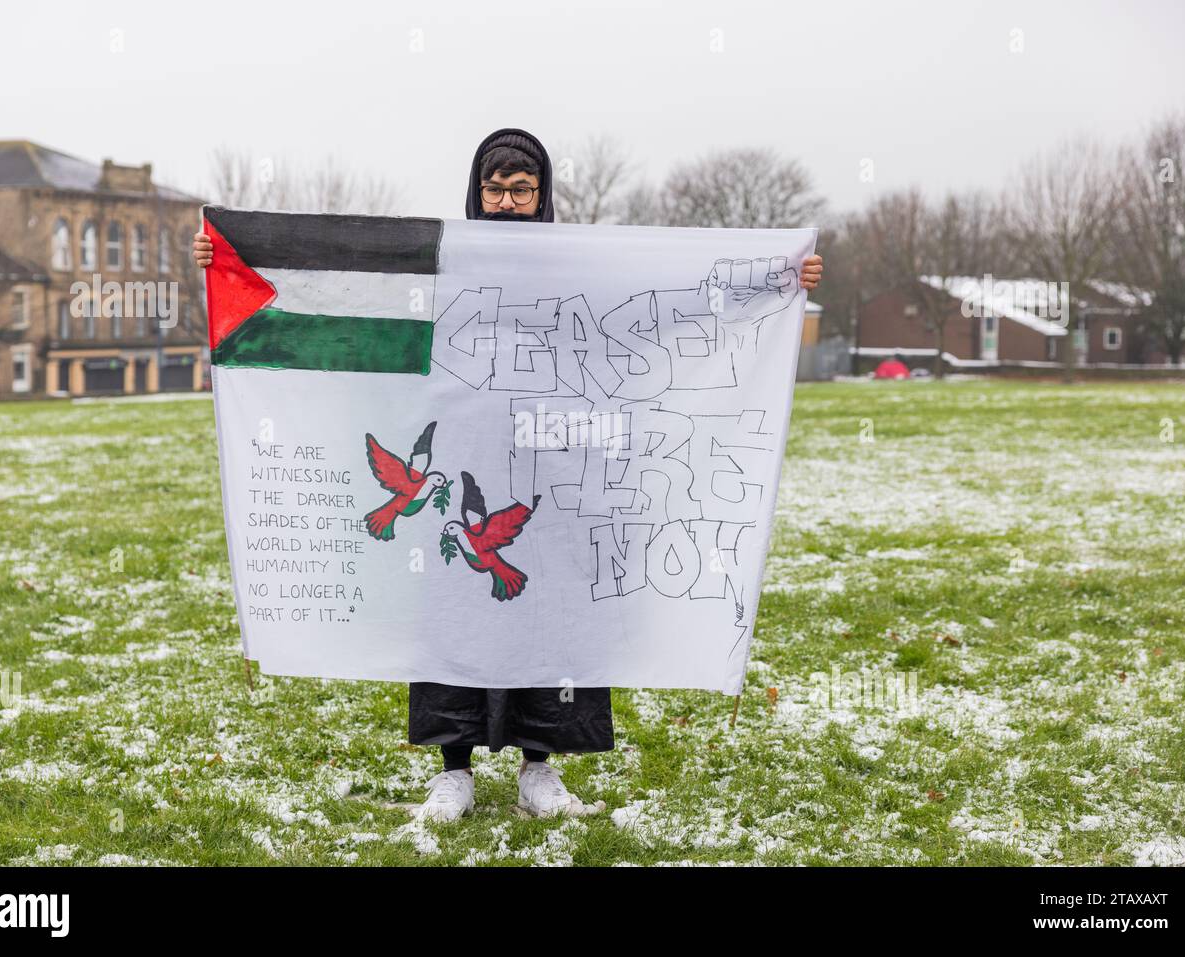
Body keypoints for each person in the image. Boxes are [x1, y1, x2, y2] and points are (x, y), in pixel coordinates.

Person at [193, 128, 824, 822]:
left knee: (555, 619)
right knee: (449, 619)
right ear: (477, 190)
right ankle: (453, 769)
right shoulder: (441, 267)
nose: (507, 201)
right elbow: (339, 291)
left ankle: (539, 768)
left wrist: (776, 277)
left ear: (542, 193)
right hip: (459, 473)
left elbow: (668, 298)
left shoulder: (579, 269)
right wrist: (232, 263)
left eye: (521, 189)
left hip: (549, 472)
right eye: (495, 188)